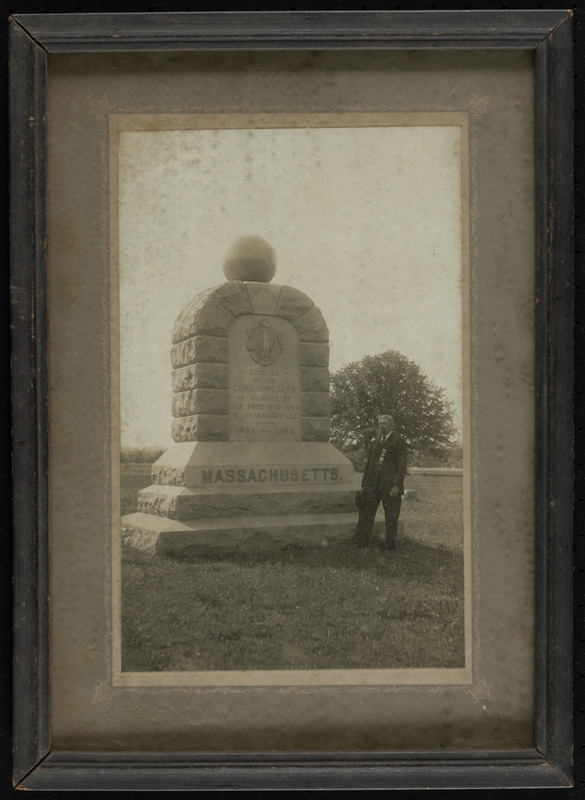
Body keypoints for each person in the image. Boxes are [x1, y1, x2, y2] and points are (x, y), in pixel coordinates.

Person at [352, 414, 407, 550]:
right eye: (380, 424)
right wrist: (364, 485)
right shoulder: (374, 443)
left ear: (391, 425)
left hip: (390, 487)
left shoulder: (398, 441)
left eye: (384, 424)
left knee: (391, 517)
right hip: (372, 486)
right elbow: (368, 466)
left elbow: (402, 466)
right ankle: (361, 543)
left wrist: (396, 486)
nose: (381, 426)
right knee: (366, 515)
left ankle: (390, 545)